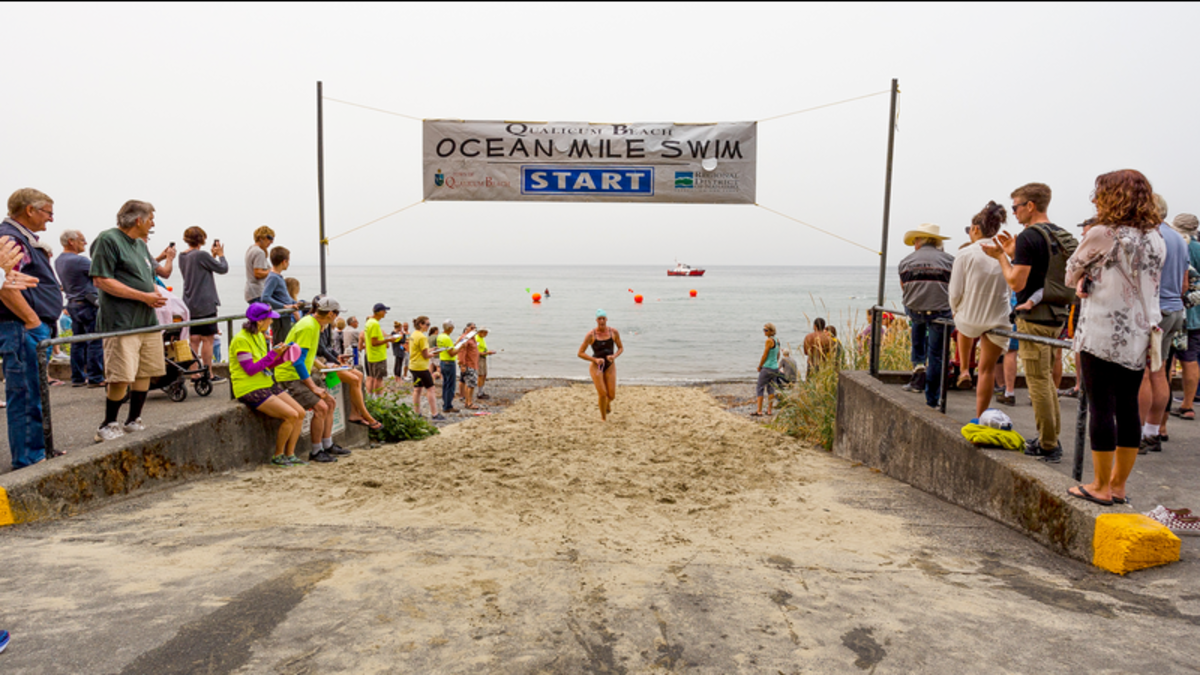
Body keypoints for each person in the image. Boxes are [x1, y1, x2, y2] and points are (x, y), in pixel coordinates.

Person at [1064, 169, 1165, 506]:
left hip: (1104, 331)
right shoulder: (1155, 238)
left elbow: (1070, 273)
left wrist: (1085, 276)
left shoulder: (1103, 233)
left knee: (1101, 408)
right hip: (1140, 332)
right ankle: (1119, 486)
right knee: (1127, 407)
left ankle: (1099, 485)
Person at [982, 182, 1068, 462]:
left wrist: (1000, 259)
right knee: (1047, 380)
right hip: (1057, 314)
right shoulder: (1058, 233)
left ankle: (1047, 444)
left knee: (1038, 381)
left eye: (1017, 206)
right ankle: (1051, 437)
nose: (1014, 213)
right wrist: (1012, 255)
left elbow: (1016, 280)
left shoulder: (1030, 237)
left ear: (1030, 206)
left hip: (1033, 317)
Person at [90, 200, 169, 442]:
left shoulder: (141, 245)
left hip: (147, 320)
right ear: (139, 220)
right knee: (121, 374)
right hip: (122, 321)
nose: (153, 223)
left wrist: (153, 294)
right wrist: (144, 296)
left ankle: (134, 419)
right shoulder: (108, 240)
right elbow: (101, 280)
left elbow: (148, 277)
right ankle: (108, 423)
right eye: (151, 218)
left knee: (145, 370)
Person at [0, 188, 60, 468]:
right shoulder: (11, 240)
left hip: (28, 325)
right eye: (48, 212)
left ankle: (37, 450)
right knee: (26, 395)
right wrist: (33, 321)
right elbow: (6, 286)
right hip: (23, 326)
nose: (51, 218)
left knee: (34, 393)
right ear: (30, 210)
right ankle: (28, 459)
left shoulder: (20, 238)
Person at [949, 201, 1012, 418]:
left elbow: (955, 291)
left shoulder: (966, 254)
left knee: (962, 323)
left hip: (970, 319)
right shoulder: (1005, 253)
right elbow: (1010, 289)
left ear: (976, 229)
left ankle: (964, 368)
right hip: (998, 318)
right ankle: (980, 416)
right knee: (986, 370)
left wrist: (955, 310)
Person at [1136, 194, 1188, 454]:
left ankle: (1135, 434)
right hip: (1175, 309)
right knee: (1160, 371)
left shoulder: (1151, 238)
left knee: (1144, 372)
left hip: (1154, 311)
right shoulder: (1178, 238)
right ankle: (1153, 432)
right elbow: (1185, 283)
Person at [230, 302, 307, 466]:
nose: (271, 322)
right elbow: (250, 369)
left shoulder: (258, 335)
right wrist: (273, 354)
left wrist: (282, 357)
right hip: (249, 387)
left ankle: (290, 454)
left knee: (300, 412)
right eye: (269, 319)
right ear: (259, 321)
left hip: (265, 382)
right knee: (291, 415)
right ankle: (278, 455)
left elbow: (265, 365)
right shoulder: (241, 340)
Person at [273, 295, 348, 463]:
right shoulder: (308, 327)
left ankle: (327, 444)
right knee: (321, 407)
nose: (337, 317)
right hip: (290, 376)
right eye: (336, 314)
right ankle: (316, 450)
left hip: (300, 374)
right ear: (330, 314)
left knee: (330, 403)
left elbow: (308, 355)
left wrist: (325, 367)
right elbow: (298, 361)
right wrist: (313, 387)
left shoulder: (313, 324)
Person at [898, 223, 955, 407]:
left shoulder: (905, 262)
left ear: (919, 241)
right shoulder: (950, 261)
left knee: (915, 316)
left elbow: (904, 288)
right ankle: (932, 398)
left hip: (915, 310)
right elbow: (955, 289)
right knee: (937, 355)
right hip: (940, 312)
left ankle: (918, 360)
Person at [177, 226, 229, 382]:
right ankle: (208, 373)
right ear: (202, 239)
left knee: (193, 339)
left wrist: (211, 256)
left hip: (189, 301)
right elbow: (223, 268)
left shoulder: (182, 256)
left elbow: (199, 268)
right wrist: (221, 255)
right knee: (208, 339)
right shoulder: (201, 255)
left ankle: (194, 373)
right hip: (205, 303)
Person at [56, 229, 105, 388]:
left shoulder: (59, 260)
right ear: (71, 241)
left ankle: (77, 377)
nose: (85, 243)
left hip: (72, 304)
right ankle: (95, 377)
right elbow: (102, 273)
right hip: (88, 303)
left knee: (77, 342)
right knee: (95, 341)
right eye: (82, 240)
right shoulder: (80, 261)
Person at [1170, 213, 1200, 421]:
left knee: (1166, 360)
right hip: (1195, 314)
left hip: (1173, 310)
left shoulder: (1174, 246)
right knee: (1190, 359)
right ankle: (1188, 404)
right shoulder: (1198, 248)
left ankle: (1160, 412)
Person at [578, 309, 623, 421]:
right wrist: (595, 359)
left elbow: (621, 348)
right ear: (596, 320)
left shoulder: (613, 332)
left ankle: (607, 404)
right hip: (596, 366)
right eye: (599, 319)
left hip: (610, 366)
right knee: (602, 393)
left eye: (603, 318)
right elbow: (580, 353)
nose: (602, 321)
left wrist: (614, 356)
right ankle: (603, 418)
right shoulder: (591, 335)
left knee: (611, 395)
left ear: (606, 319)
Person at [407, 315, 443, 420]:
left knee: (417, 389)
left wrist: (431, 349)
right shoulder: (422, 337)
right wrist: (437, 352)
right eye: (427, 324)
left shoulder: (413, 334)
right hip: (421, 367)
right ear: (420, 324)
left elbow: (419, 350)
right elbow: (425, 355)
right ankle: (434, 413)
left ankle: (417, 413)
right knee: (431, 389)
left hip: (413, 365)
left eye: (429, 324)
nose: (428, 326)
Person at [260, 246, 297, 345]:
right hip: (280, 318)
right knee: (281, 344)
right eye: (288, 261)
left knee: (287, 343)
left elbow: (284, 297)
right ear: (284, 262)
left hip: (285, 316)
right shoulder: (273, 277)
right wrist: (284, 306)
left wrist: (294, 303)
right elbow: (265, 297)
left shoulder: (278, 277)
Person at [364, 302, 399, 395]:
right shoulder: (375, 324)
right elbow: (374, 342)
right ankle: (378, 399)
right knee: (379, 379)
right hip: (378, 356)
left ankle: (371, 397)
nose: (385, 313)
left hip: (371, 355)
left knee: (372, 377)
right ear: (379, 312)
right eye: (384, 311)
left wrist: (385, 338)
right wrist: (388, 340)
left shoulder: (369, 322)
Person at [754, 322, 781, 416]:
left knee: (760, 387)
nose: (764, 332)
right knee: (771, 388)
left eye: (766, 330)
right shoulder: (777, 340)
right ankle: (769, 410)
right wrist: (776, 363)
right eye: (763, 330)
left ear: (771, 331)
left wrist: (760, 366)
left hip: (767, 367)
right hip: (775, 368)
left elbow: (765, 354)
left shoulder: (769, 341)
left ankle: (759, 410)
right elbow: (778, 354)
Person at [243, 226, 274, 304]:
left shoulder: (251, 249)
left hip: (251, 292)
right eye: (269, 238)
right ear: (261, 237)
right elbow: (258, 273)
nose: (271, 241)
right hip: (257, 292)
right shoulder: (259, 252)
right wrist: (272, 271)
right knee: (265, 315)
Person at [457, 322, 481, 409]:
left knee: (471, 384)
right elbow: (461, 351)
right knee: (470, 384)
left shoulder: (472, 338)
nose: (473, 329)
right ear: (466, 328)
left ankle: (468, 402)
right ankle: (469, 403)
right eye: (471, 328)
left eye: (474, 328)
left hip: (473, 364)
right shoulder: (465, 338)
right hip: (468, 364)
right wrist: (462, 364)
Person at [437, 319, 460, 413]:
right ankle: (447, 406)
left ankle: (445, 403)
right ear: (450, 328)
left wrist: (455, 345)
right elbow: (451, 353)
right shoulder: (447, 338)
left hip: (442, 361)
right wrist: (460, 348)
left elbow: (447, 348)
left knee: (445, 384)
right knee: (450, 385)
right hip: (449, 362)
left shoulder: (440, 336)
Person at [475, 327, 494, 399]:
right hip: (479, 358)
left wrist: (488, 352)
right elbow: (476, 352)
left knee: (484, 374)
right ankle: (479, 393)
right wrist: (486, 352)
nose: (486, 334)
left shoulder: (482, 339)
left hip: (484, 357)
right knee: (480, 375)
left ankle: (482, 391)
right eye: (485, 333)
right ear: (481, 332)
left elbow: (483, 349)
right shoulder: (476, 339)